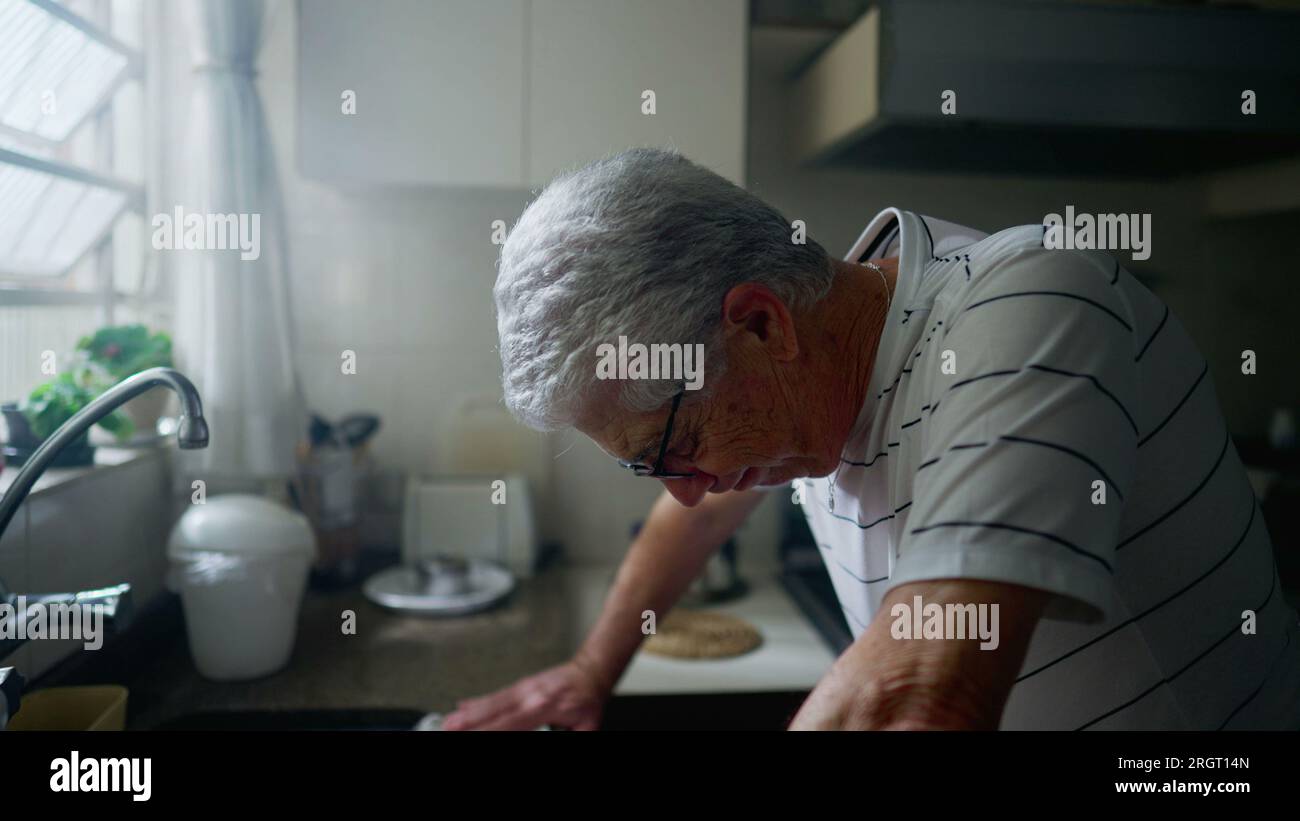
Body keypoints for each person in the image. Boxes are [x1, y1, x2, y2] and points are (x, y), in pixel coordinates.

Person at [443, 148, 1299, 730]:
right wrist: (591, 671)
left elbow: (922, 692)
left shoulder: (1032, 308)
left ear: (759, 322)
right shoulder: (808, 379)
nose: (685, 485)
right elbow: (696, 516)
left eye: (675, 444)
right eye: (644, 465)